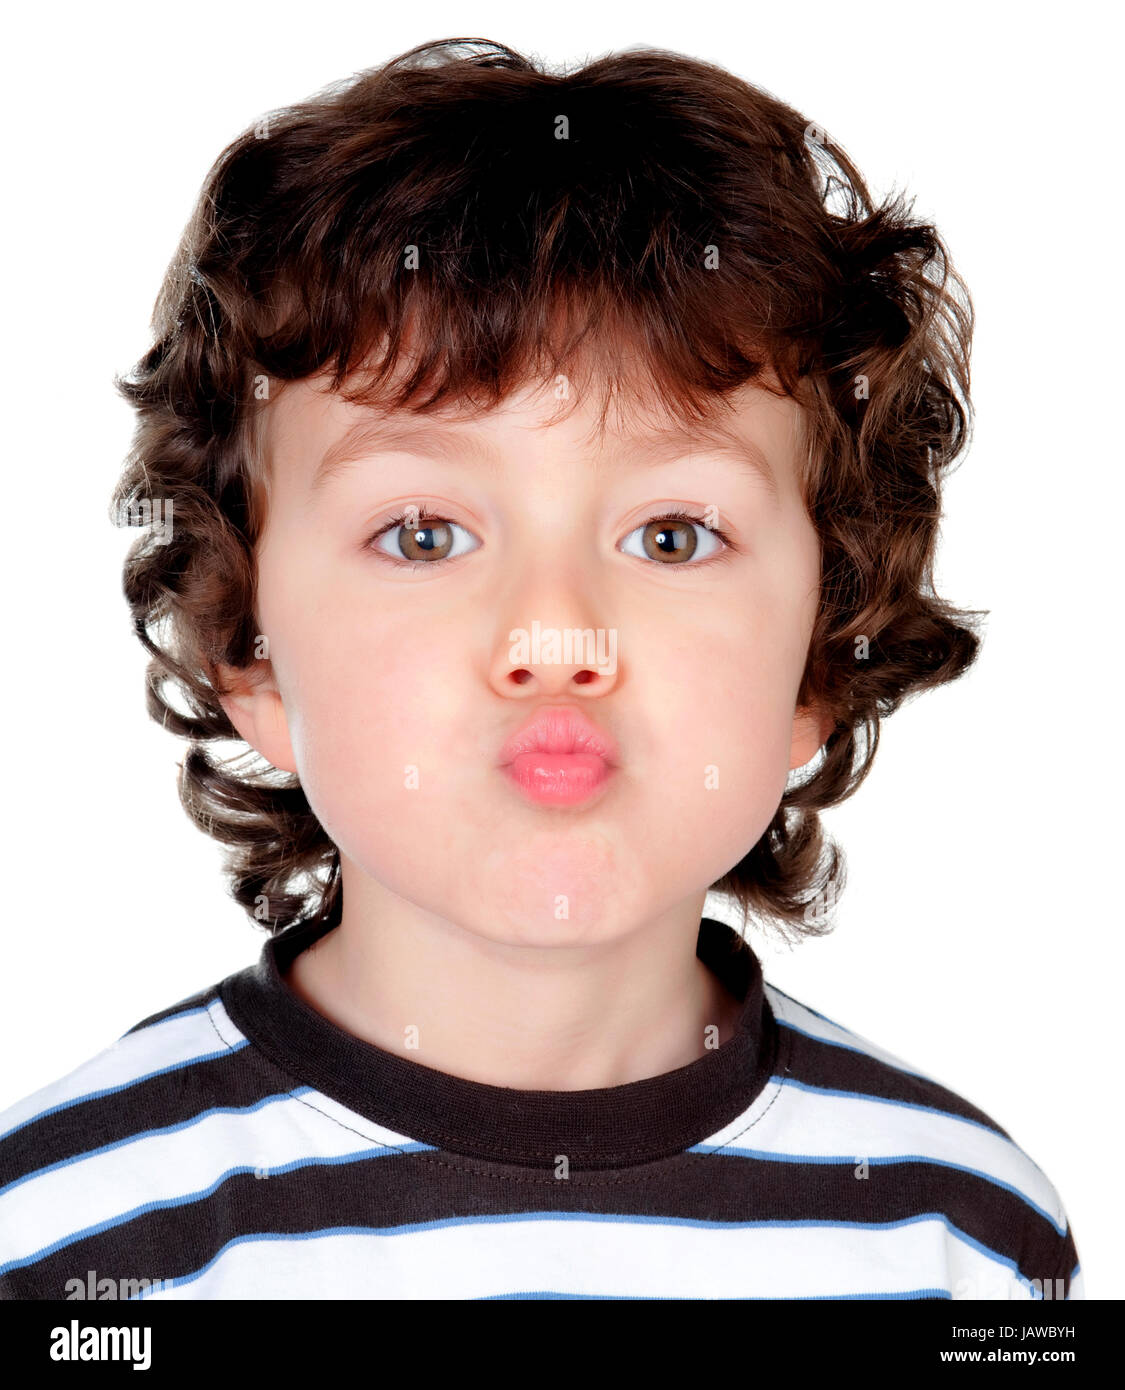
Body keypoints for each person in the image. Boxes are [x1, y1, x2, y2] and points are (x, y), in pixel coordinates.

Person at [0, 37, 1081, 1301]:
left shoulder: (966, 1238)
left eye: (673, 536)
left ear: (819, 666)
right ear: (250, 657)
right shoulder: (67, 1246)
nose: (554, 637)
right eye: (424, 534)